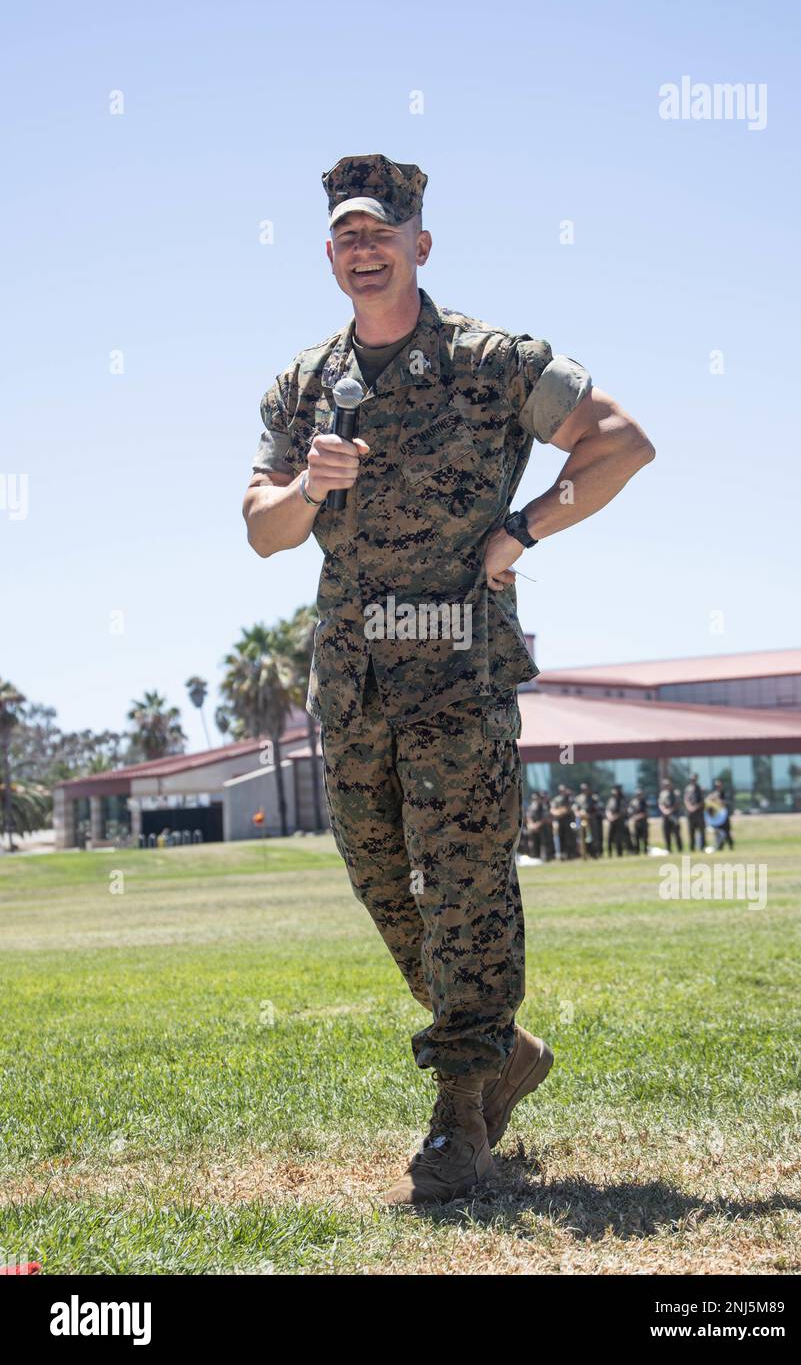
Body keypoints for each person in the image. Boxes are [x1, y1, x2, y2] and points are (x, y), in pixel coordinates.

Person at [242, 153, 654, 1205]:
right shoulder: (303, 384)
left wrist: (521, 529)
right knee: (390, 890)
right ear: (329, 256)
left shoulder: (491, 360)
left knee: (464, 888)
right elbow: (261, 531)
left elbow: (619, 443)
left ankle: (459, 1119)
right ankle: (500, 1047)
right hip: (353, 681)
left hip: (458, 674)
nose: (363, 247)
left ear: (420, 244)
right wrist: (305, 484)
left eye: (381, 231)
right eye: (346, 235)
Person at [657, 777, 683, 852]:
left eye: (668, 784)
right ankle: (668, 849)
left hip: (674, 816)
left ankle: (680, 849)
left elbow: (677, 804)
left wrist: (670, 811)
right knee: (666, 834)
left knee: (676, 834)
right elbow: (660, 804)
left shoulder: (676, 793)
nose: (666, 786)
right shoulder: (662, 794)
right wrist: (664, 811)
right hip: (666, 817)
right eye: (665, 785)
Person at [550, 784, 575, 860]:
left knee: (569, 838)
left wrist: (561, 811)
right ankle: (562, 855)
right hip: (560, 822)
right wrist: (561, 811)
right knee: (561, 838)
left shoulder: (569, 799)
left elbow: (569, 808)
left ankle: (570, 854)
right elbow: (553, 810)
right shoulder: (557, 799)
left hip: (568, 821)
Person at [605, 784, 631, 856]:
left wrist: (614, 817)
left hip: (620, 821)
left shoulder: (623, 800)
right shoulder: (611, 799)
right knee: (610, 838)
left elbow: (623, 811)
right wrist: (609, 816)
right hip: (612, 821)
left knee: (619, 838)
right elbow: (608, 809)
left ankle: (621, 853)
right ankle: (609, 853)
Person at [684, 773, 706, 852]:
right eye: (691, 779)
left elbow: (702, 801)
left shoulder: (700, 788)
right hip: (690, 814)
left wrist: (695, 807)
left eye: (694, 779)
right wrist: (690, 807)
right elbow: (686, 800)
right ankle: (692, 848)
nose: (693, 780)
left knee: (701, 831)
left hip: (699, 813)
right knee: (691, 831)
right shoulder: (687, 789)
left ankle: (702, 847)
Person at [628, 789, 649, 854]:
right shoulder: (633, 802)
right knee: (636, 838)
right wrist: (633, 817)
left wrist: (637, 817)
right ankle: (637, 851)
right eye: (637, 794)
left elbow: (645, 813)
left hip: (643, 823)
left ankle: (645, 850)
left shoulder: (644, 802)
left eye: (640, 794)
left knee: (644, 838)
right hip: (636, 823)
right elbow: (630, 811)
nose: (639, 795)